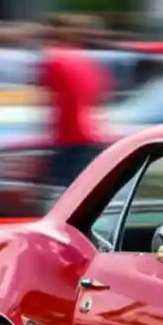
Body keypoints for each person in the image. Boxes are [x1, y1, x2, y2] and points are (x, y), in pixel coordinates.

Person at [37, 14, 109, 193]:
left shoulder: (53, 59)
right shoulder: (86, 59)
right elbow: (99, 92)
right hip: (91, 133)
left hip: (68, 136)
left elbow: (47, 97)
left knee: (61, 195)